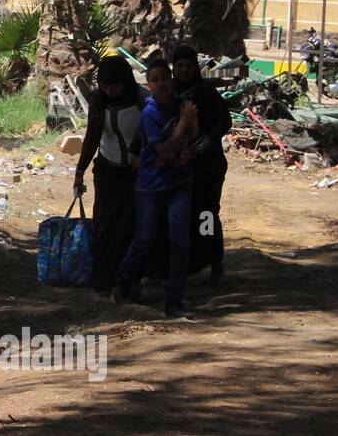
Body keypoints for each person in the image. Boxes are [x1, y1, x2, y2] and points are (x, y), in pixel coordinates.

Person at [113, 59, 198, 317]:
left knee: (180, 241)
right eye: (155, 79)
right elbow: (163, 148)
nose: (161, 84)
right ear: (148, 85)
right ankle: (124, 281)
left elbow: (193, 137)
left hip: (179, 182)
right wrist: (183, 122)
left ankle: (174, 300)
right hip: (151, 185)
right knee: (144, 238)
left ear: (171, 81)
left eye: (165, 78)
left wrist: (191, 121)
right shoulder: (150, 114)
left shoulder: (180, 106)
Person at [73, 56, 145, 294]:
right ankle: (103, 279)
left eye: (114, 86)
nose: (110, 91)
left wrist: (139, 155)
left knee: (129, 226)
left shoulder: (142, 99)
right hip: (107, 171)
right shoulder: (98, 101)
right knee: (104, 225)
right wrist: (80, 170)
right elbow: (92, 135)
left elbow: (150, 132)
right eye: (105, 87)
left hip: (136, 174)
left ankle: (128, 279)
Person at [170, 46, 232, 284]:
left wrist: (202, 144)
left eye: (188, 66)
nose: (184, 70)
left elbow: (223, 122)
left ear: (195, 68)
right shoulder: (171, 92)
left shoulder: (206, 92)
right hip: (179, 166)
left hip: (208, 166)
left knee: (206, 214)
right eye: (179, 66)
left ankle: (214, 260)